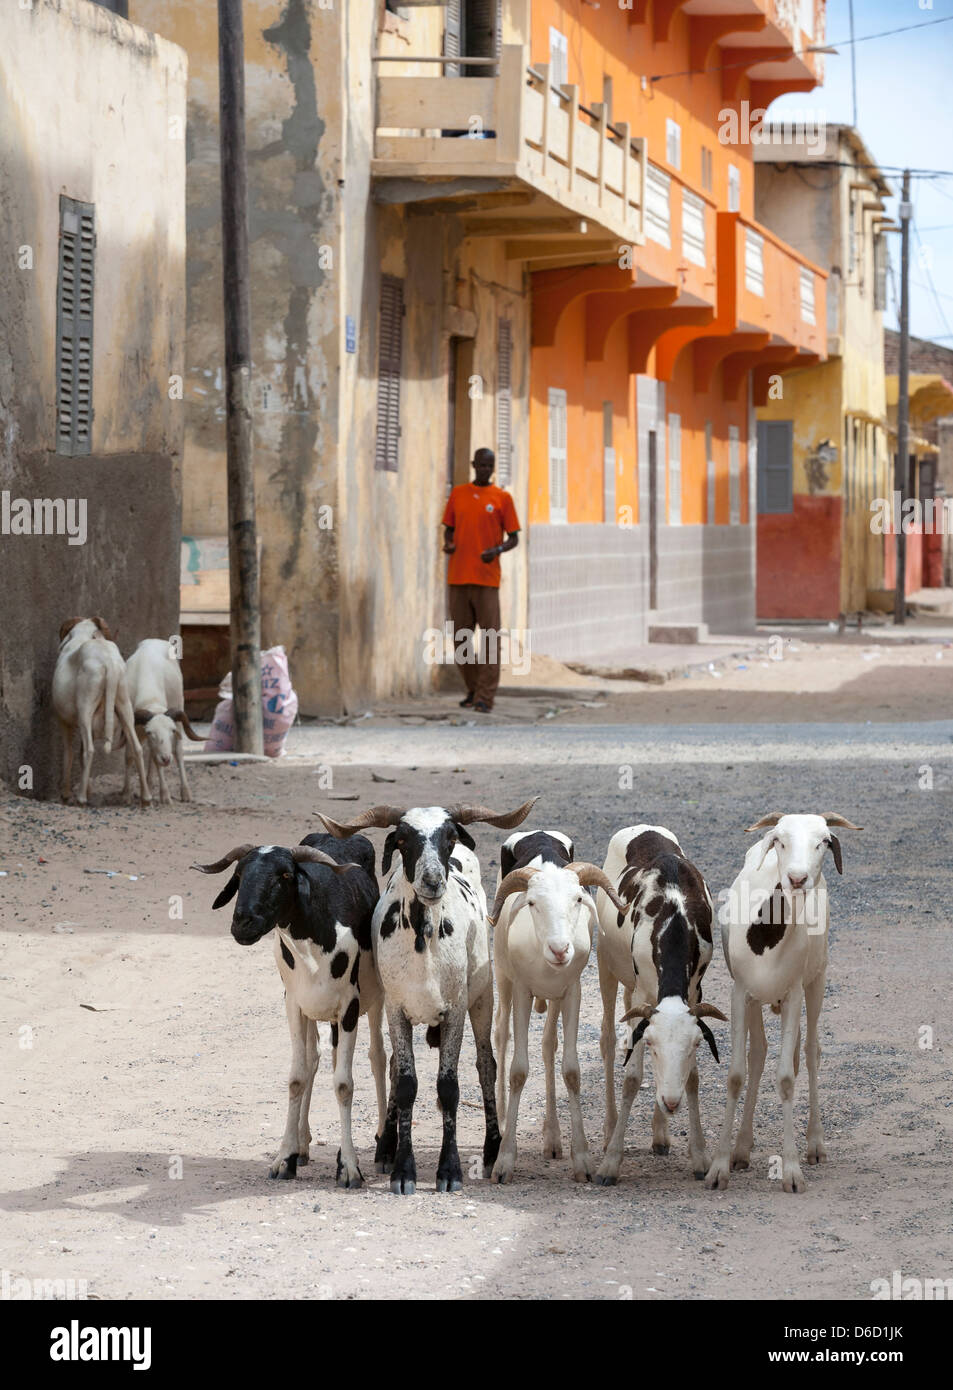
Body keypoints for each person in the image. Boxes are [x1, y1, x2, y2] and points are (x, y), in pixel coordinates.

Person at [441, 447, 520, 712]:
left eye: (490, 466)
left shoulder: (502, 498)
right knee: (461, 639)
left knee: (489, 639)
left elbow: (514, 538)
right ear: (473, 465)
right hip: (459, 576)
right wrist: (449, 545)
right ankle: (473, 689)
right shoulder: (458, 494)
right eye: (481, 465)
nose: (485, 469)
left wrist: (495, 551)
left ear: (493, 468)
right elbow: (448, 531)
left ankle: (486, 697)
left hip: (487, 580)